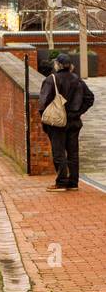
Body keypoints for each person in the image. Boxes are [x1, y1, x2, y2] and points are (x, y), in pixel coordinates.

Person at [39, 54, 96, 191]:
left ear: (57, 65)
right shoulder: (78, 80)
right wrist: (77, 112)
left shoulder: (51, 80)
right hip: (74, 122)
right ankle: (73, 183)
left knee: (59, 153)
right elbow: (90, 98)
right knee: (73, 153)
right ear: (70, 66)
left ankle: (61, 182)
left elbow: (43, 104)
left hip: (57, 123)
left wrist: (47, 121)